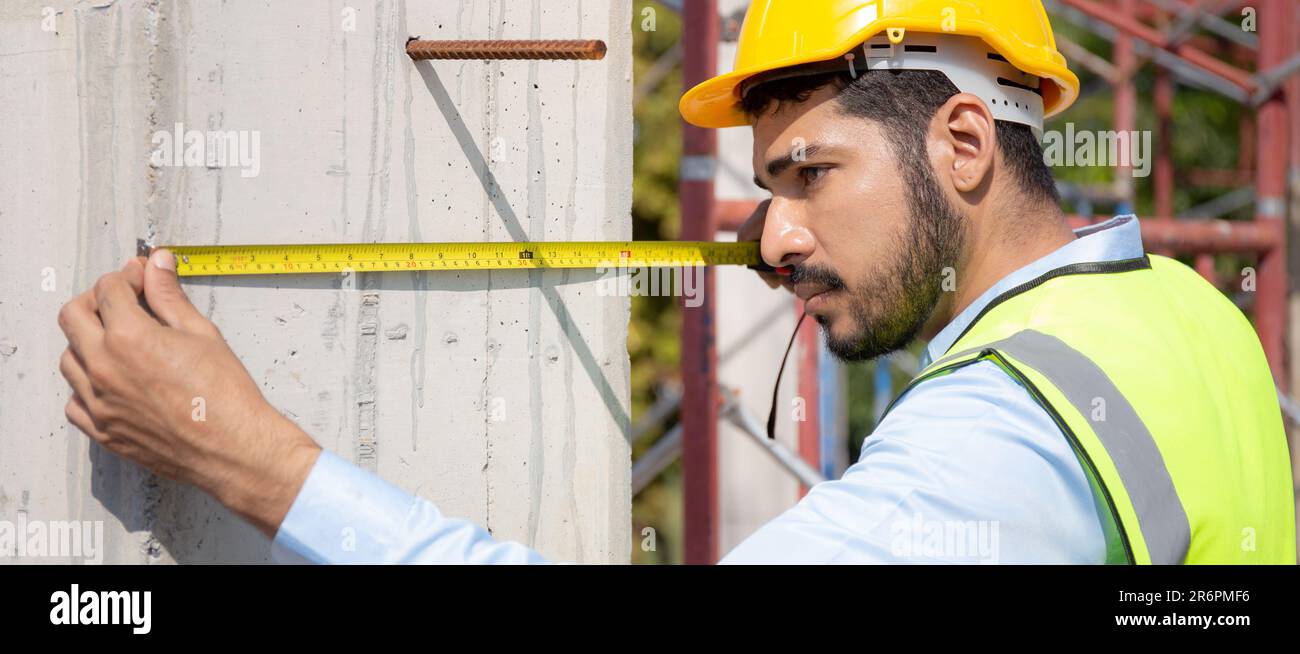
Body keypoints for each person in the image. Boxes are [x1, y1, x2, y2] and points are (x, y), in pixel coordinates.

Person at [58, 0, 1294, 563]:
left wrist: (254, 464)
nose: (771, 240)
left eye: (809, 175)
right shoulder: (1176, 307)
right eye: (767, 189)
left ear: (963, 144)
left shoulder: (1000, 432)